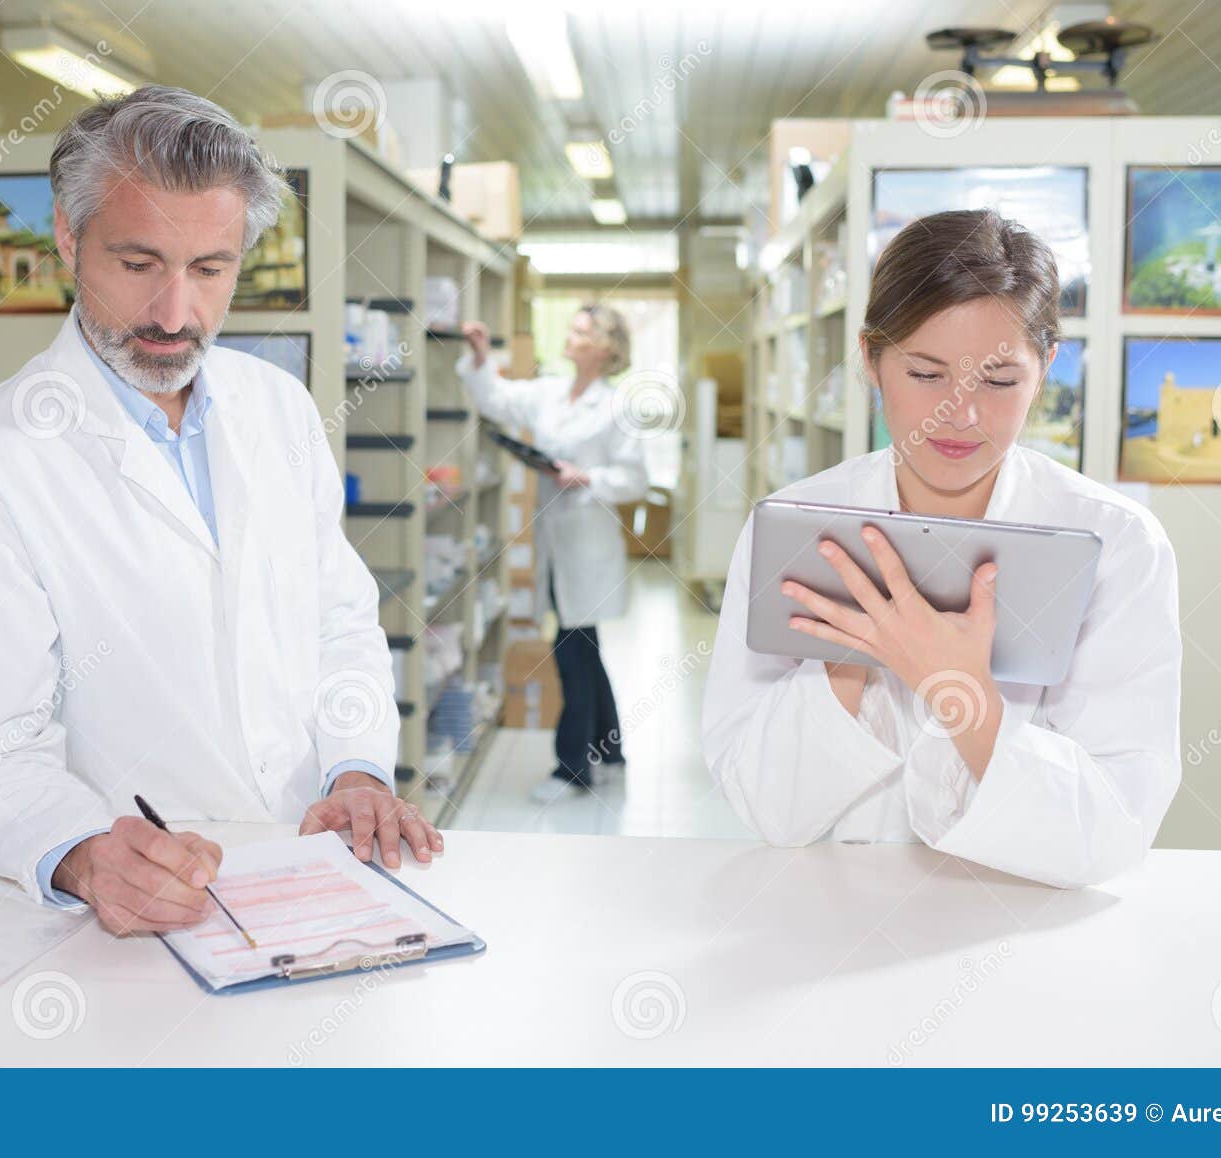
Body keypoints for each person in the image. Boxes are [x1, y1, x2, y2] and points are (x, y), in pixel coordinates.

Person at [0, 86, 441, 936]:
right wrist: (81, 854)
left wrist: (355, 771)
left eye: (210, 270)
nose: (175, 314)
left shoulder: (280, 408)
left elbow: (339, 624)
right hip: (137, 909)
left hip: (313, 870)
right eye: (138, 265)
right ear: (68, 237)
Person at [702, 209, 1182, 889]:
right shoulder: (794, 529)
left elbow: (1112, 831)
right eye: (926, 375)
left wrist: (960, 691)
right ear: (871, 359)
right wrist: (848, 662)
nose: (959, 414)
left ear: (1045, 367)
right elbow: (766, 808)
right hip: (836, 917)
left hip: (1025, 924)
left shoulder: (1120, 546)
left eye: (999, 380)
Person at [457, 306, 649, 803]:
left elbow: (635, 480)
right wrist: (480, 356)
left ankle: (572, 770)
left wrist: (586, 477)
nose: (570, 335)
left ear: (604, 348)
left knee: (572, 653)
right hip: (555, 543)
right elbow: (497, 399)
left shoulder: (616, 407)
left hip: (587, 547)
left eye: (581, 330)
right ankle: (610, 753)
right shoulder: (548, 393)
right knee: (584, 646)